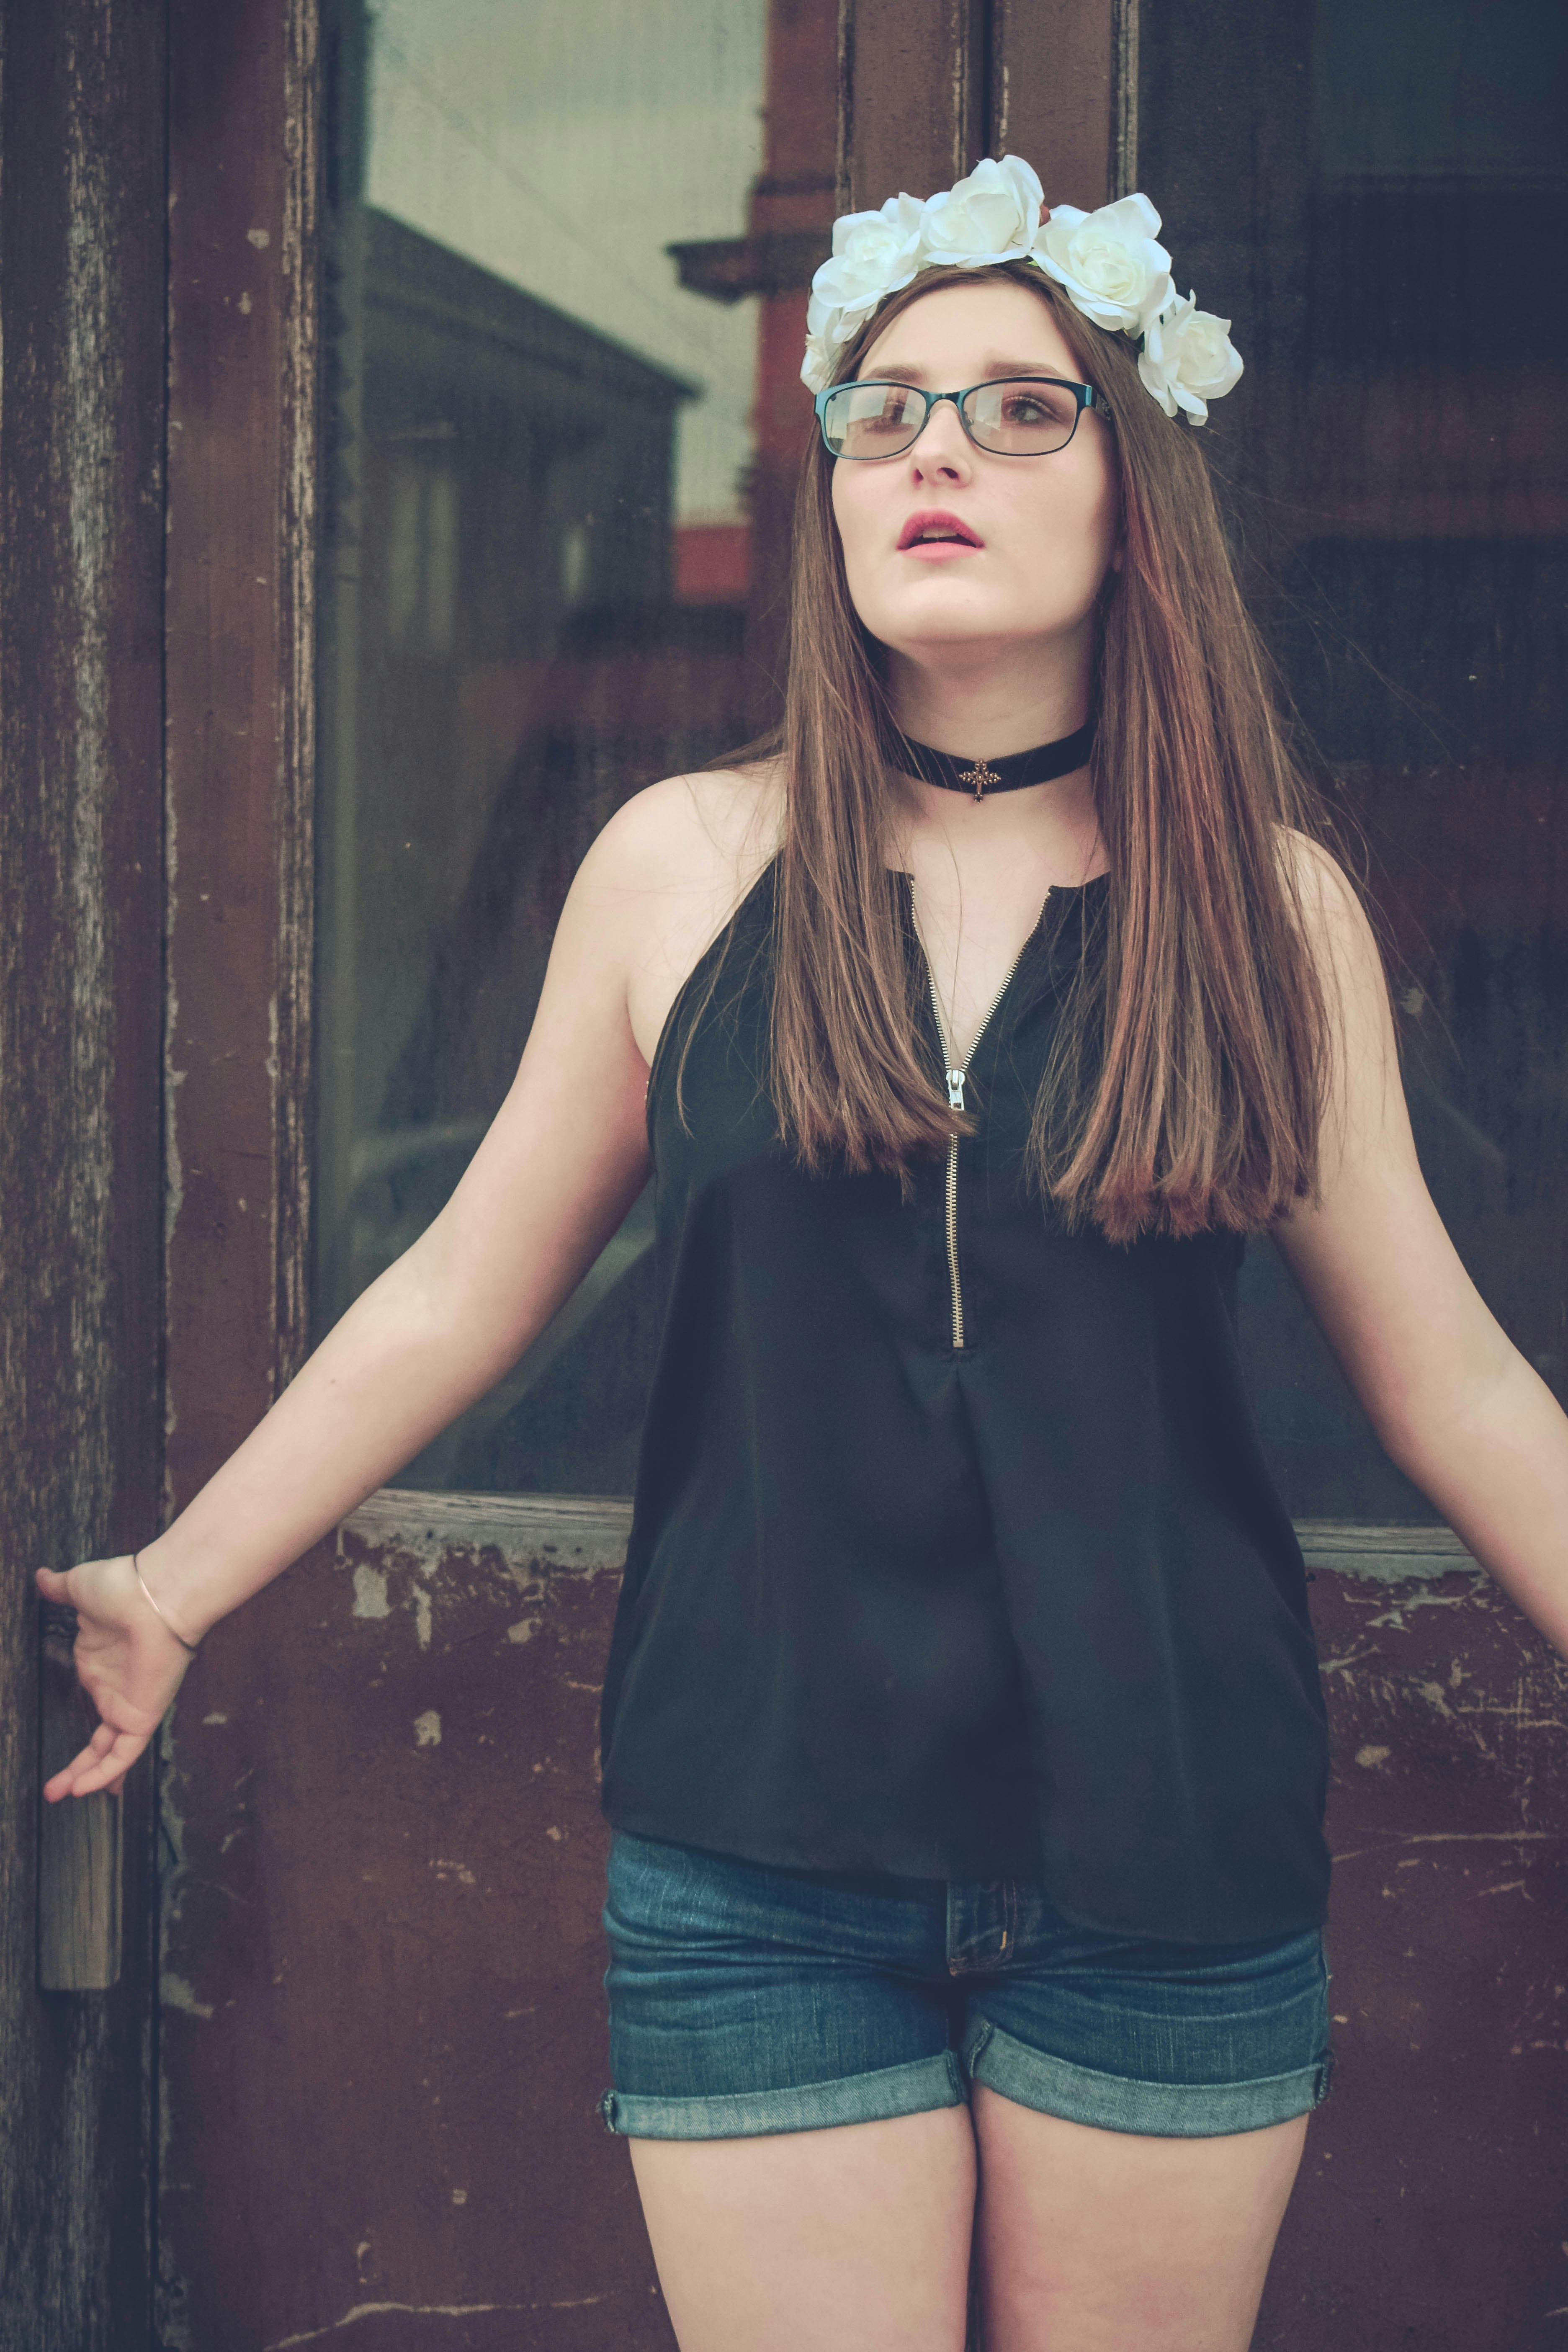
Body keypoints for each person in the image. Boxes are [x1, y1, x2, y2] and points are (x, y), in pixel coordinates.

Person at [38, 158, 1568, 2352]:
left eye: (1017, 407)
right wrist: (174, 1585)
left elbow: (1459, 1383)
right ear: (836, 500)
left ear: (1134, 498)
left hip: (1169, 1855)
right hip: (759, 1859)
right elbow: (464, 1282)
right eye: (885, 410)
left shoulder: (1265, 906)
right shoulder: (677, 869)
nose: (931, 446)